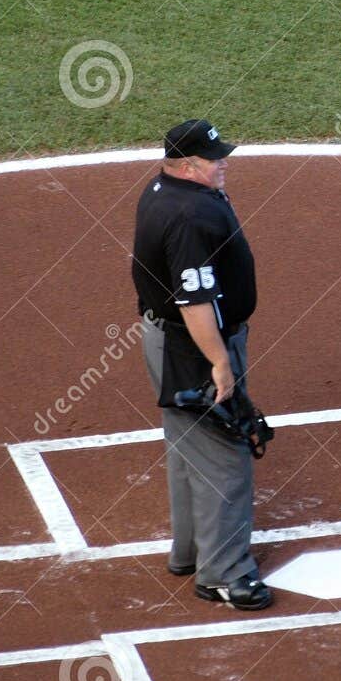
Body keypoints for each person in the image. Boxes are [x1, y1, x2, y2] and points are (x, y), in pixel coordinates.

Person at [131, 119, 271, 611]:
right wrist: (219, 361)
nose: (224, 162)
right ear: (187, 166)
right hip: (193, 345)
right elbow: (195, 302)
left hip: (167, 339)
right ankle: (224, 574)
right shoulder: (188, 215)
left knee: (188, 446)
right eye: (215, 158)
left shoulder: (162, 190)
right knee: (225, 456)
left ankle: (189, 551)